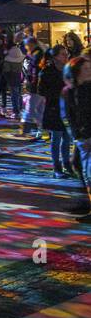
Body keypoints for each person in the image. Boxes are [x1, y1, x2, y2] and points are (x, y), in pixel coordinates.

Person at [60, 55, 91, 216]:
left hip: (88, 137)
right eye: (86, 69)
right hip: (81, 138)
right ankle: (85, 201)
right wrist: (78, 136)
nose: (89, 71)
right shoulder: (69, 91)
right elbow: (68, 117)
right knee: (78, 165)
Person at [37, 46, 71, 178]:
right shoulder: (47, 72)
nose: (66, 56)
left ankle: (67, 164)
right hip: (54, 108)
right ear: (55, 57)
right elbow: (41, 90)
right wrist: (58, 95)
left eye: (66, 54)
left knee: (67, 138)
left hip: (68, 108)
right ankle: (57, 167)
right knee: (56, 138)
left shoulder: (69, 69)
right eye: (63, 54)